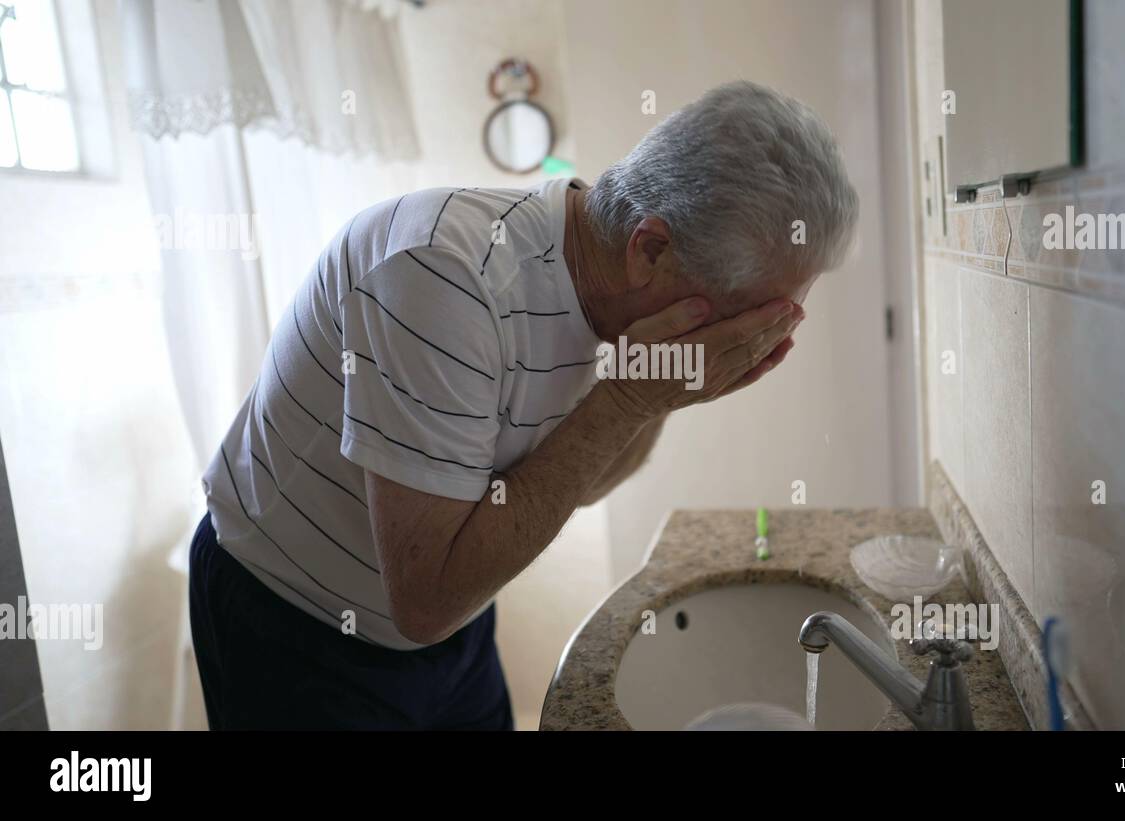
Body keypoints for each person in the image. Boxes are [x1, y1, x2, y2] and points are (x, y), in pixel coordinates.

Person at [187, 80, 860, 729]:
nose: (745, 340)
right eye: (744, 316)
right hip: (292, 619)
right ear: (649, 250)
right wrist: (630, 396)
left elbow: (585, 484)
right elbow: (425, 597)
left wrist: (662, 391)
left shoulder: (610, 290)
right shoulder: (442, 275)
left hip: (454, 616)